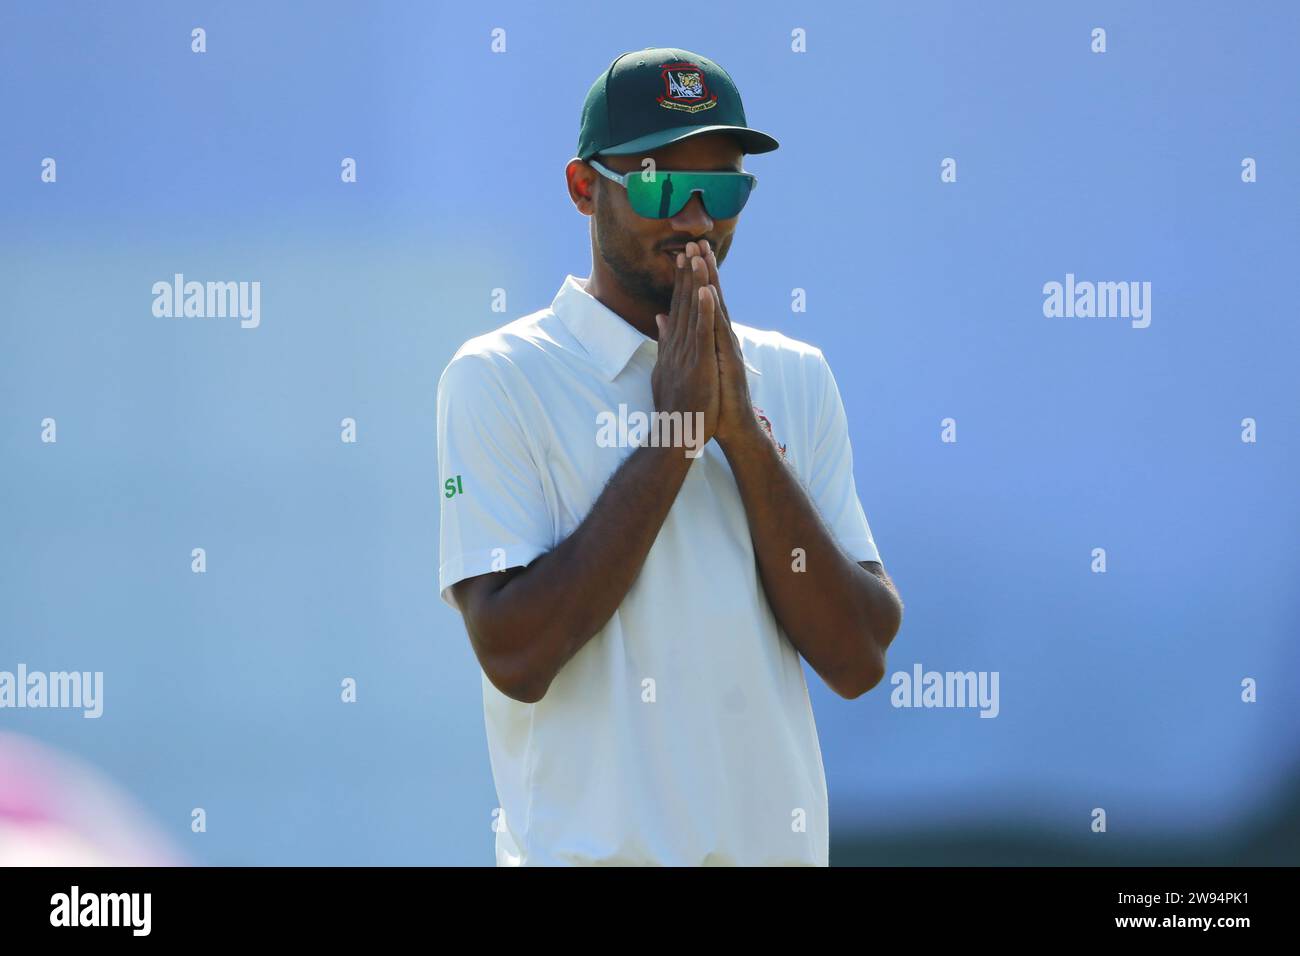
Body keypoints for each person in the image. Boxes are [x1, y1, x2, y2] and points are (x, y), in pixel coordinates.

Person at [437, 47, 903, 866]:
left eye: (722, 190)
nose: (695, 218)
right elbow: (516, 654)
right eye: (658, 185)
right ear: (586, 189)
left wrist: (742, 437)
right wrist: (675, 439)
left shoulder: (792, 375)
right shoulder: (499, 377)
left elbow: (859, 657)